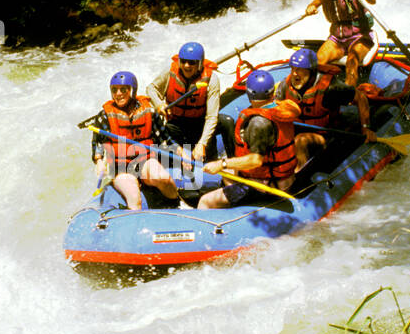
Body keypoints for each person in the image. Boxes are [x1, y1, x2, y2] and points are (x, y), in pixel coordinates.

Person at [198, 69, 299, 209]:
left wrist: (222, 164)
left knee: (205, 201)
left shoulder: (259, 123)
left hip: (265, 186)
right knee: (227, 176)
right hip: (283, 179)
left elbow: (255, 160)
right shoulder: (278, 110)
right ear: (272, 92)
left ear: (249, 94)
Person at [92, 71, 190, 211]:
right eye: (114, 90)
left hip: (145, 161)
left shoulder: (148, 111)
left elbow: (165, 137)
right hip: (121, 167)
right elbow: (98, 143)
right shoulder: (104, 116)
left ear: (133, 90)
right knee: (133, 197)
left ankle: (178, 204)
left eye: (123, 89)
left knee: (163, 178)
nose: (118, 94)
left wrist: (181, 153)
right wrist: (99, 161)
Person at [278, 48, 377, 164]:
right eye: (293, 68)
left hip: (325, 134)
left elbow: (361, 98)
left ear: (312, 71)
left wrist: (366, 127)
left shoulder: (331, 88)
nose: (295, 73)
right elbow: (275, 109)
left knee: (301, 141)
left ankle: (296, 178)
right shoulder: (286, 85)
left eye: (300, 70)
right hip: (296, 129)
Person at [146, 41, 221, 167]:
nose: (186, 65)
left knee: (226, 122)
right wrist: (159, 104)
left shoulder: (212, 80)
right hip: (175, 123)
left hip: (198, 124)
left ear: (200, 63)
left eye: (192, 62)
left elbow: (212, 116)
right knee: (161, 133)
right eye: (183, 61)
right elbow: (151, 88)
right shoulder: (170, 72)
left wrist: (202, 143)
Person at [304, 0, 378, 85]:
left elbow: (372, 0)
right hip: (337, 38)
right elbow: (315, 2)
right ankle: (321, 89)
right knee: (318, 61)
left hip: (359, 36)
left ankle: (348, 95)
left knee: (352, 60)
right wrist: (310, 7)